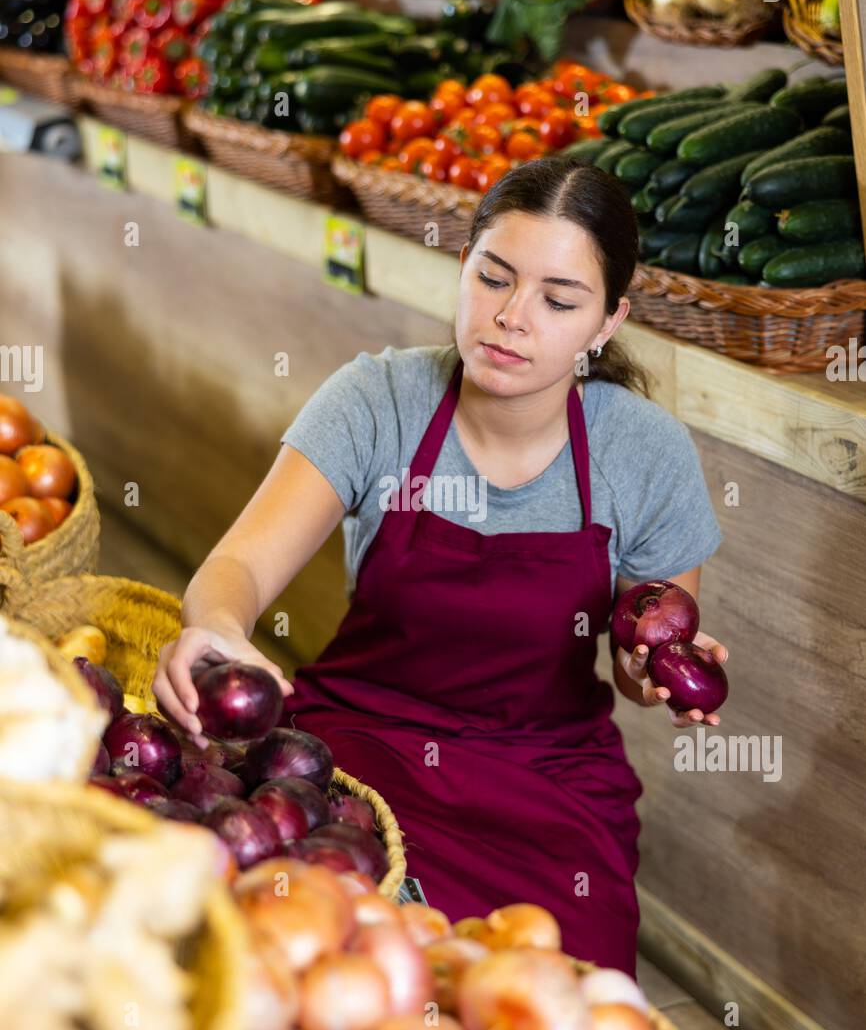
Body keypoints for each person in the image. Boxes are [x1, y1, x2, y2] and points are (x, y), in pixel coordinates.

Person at [154, 156, 727, 977]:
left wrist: (655, 669)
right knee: (333, 963)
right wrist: (215, 626)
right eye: (493, 278)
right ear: (462, 269)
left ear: (607, 322)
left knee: (557, 1003)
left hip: (548, 787)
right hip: (364, 750)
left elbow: (642, 661)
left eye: (559, 301)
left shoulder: (645, 451)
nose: (512, 318)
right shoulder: (380, 399)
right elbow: (238, 565)